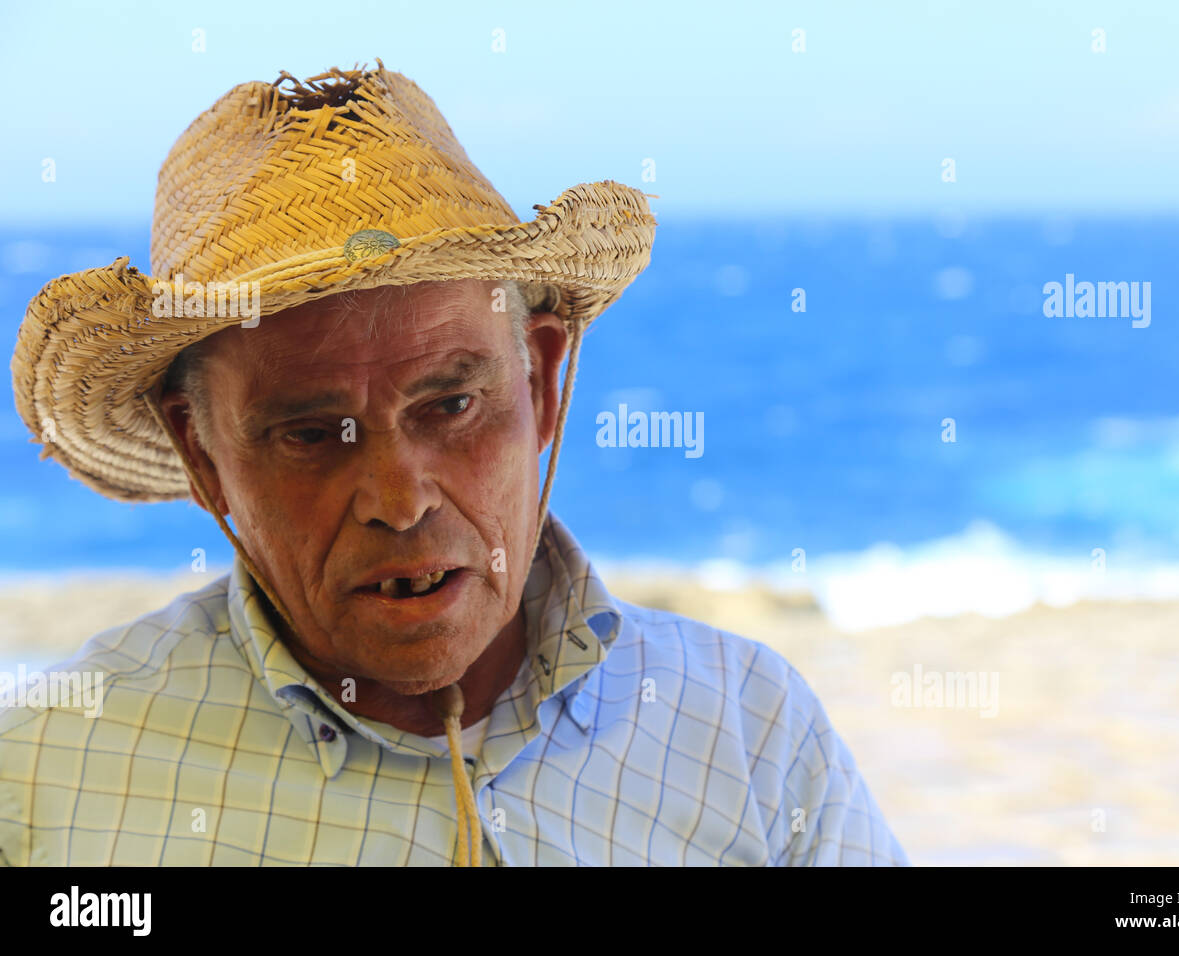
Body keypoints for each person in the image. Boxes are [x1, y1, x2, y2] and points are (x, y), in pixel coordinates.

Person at [1, 60, 907, 866]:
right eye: (313, 435)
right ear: (202, 455)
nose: (399, 501)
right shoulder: (45, 780)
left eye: (450, 406)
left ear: (543, 379)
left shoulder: (751, 732)